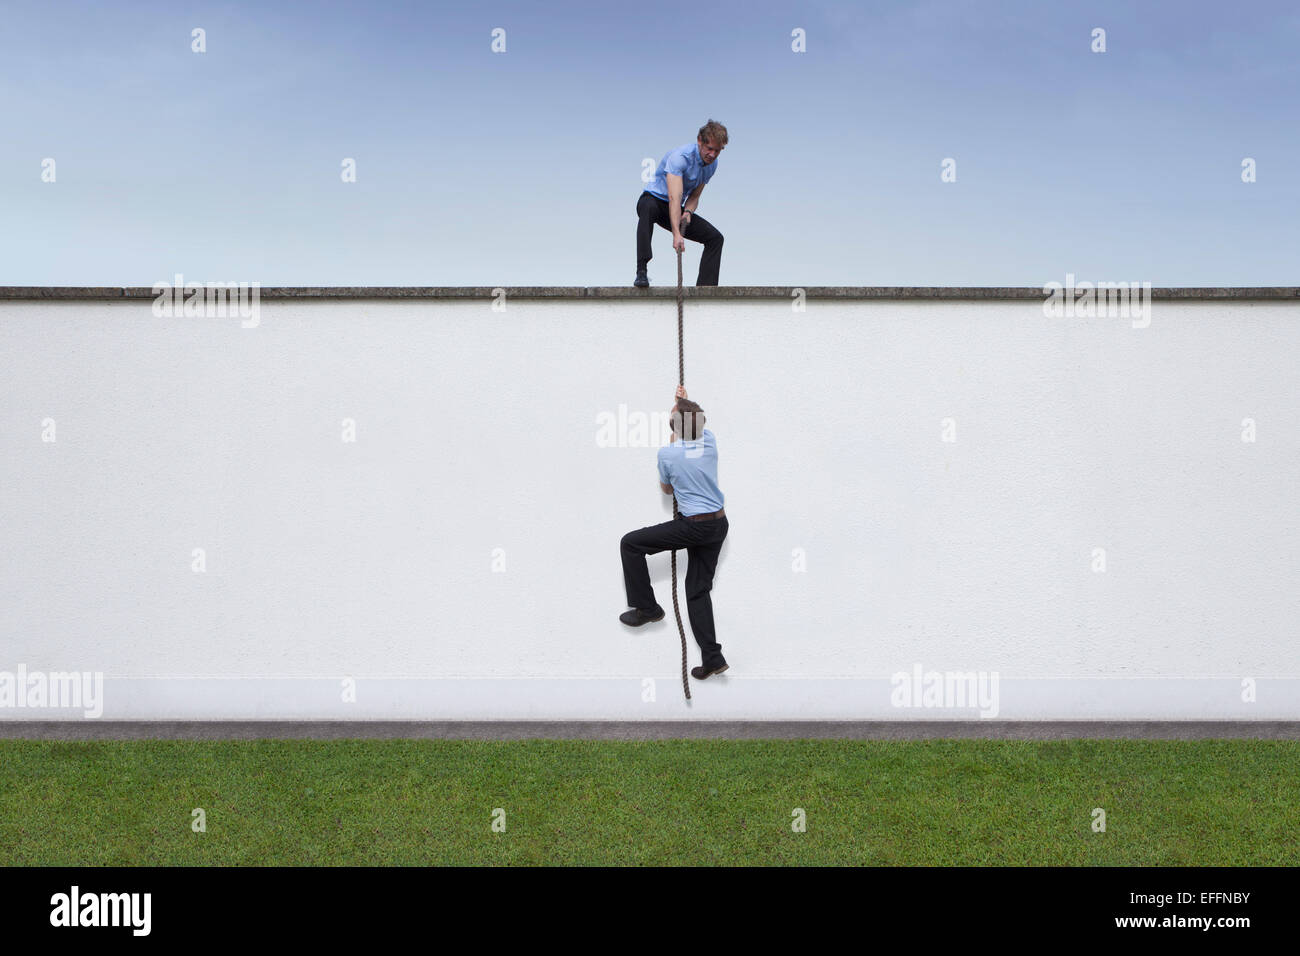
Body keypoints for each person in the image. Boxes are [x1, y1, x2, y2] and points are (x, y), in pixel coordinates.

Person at [619, 385, 730, 680]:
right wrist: (681, 402)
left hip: (694, 527)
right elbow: (689, 425)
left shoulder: (667, 454)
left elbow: (668, 491)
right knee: (697, 591)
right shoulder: (710, 440)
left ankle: (647, 608)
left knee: (630, 544)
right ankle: (713, 659)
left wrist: (676, 422)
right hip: (718, 525)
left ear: (675, 426)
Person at [635, 120, 728, 288]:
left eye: (717, 151)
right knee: (647, 208)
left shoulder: (711, 165)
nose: (713, 155)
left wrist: (689, 212)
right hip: (655, 200)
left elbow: (694, 196)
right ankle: (641, 271)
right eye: (710, 149)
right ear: (700, 140)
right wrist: (677, 234)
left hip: (676, 207)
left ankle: (706, 289)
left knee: (715, 238)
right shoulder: (680, 157)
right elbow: (674, 197)